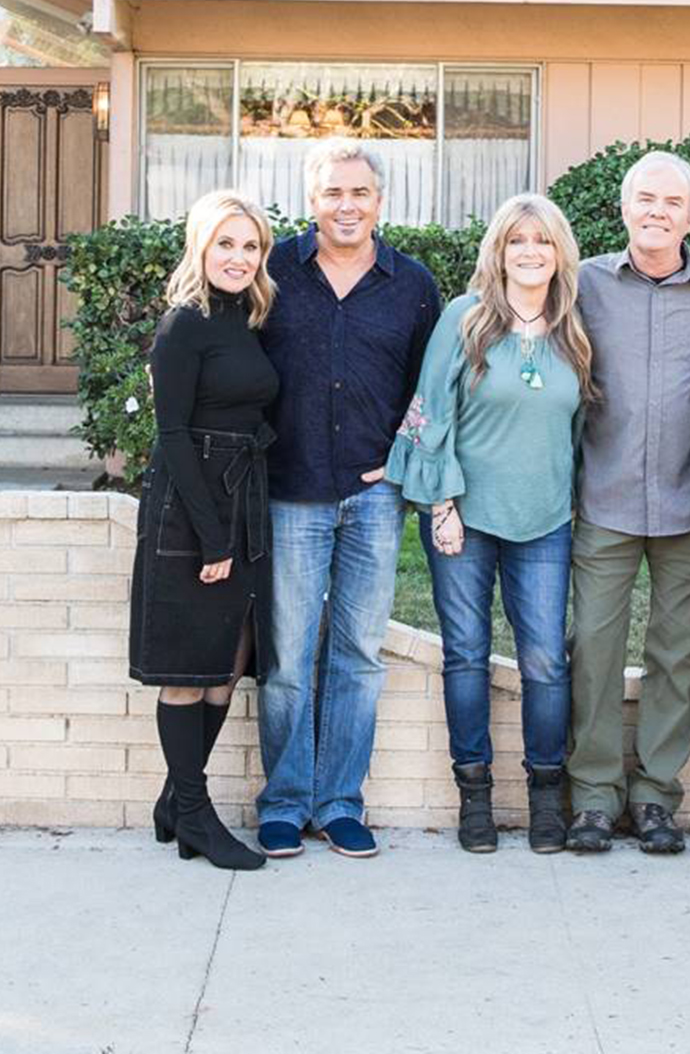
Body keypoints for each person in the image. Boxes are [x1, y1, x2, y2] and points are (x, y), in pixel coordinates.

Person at [385, 194, 595, 855]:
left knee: (544, 663)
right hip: (465, 519)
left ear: (560, 252)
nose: (530, 251)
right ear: (498, 251)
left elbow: (579, 429)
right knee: (467, 657)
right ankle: (473, 796)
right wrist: (441, 505)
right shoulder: (466, 318)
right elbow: (430, 411)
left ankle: (543, 797)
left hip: (544, 522)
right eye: (516, 241)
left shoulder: (575, 329)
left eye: (542, 240)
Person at [256, 138, 441, 860]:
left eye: (359, 193)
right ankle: (284, 800)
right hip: (290, 492)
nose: (346, 205)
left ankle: (339, 802)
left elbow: (430, 392)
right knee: (288, 657)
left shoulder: (412, 284)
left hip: (373, 498)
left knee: (359, 653)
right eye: (333, 192)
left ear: (380, 202)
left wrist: (402, 456)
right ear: (312, 199)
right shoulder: (273, 272)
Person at [565, 150, 690, 854]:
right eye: (645, 199)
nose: (657, 212)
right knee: (595, 652)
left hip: (689, 501)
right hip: (603, 499)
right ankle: (593, 797)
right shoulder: (584, 285)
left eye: (672, 202)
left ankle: (657, 796)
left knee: (679, 653)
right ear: (624, 207)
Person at [128, 191, 280, 872]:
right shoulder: (183, 326)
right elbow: (172, 436)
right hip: (191, 509)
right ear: (201, 247)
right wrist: (212, 537)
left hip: (241, 495)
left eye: (251, 247)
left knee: (228, 660)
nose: (239, 258)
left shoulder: (245, 318)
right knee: (188, 669)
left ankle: (175, 799)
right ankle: (195, 813)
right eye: (226, 244)